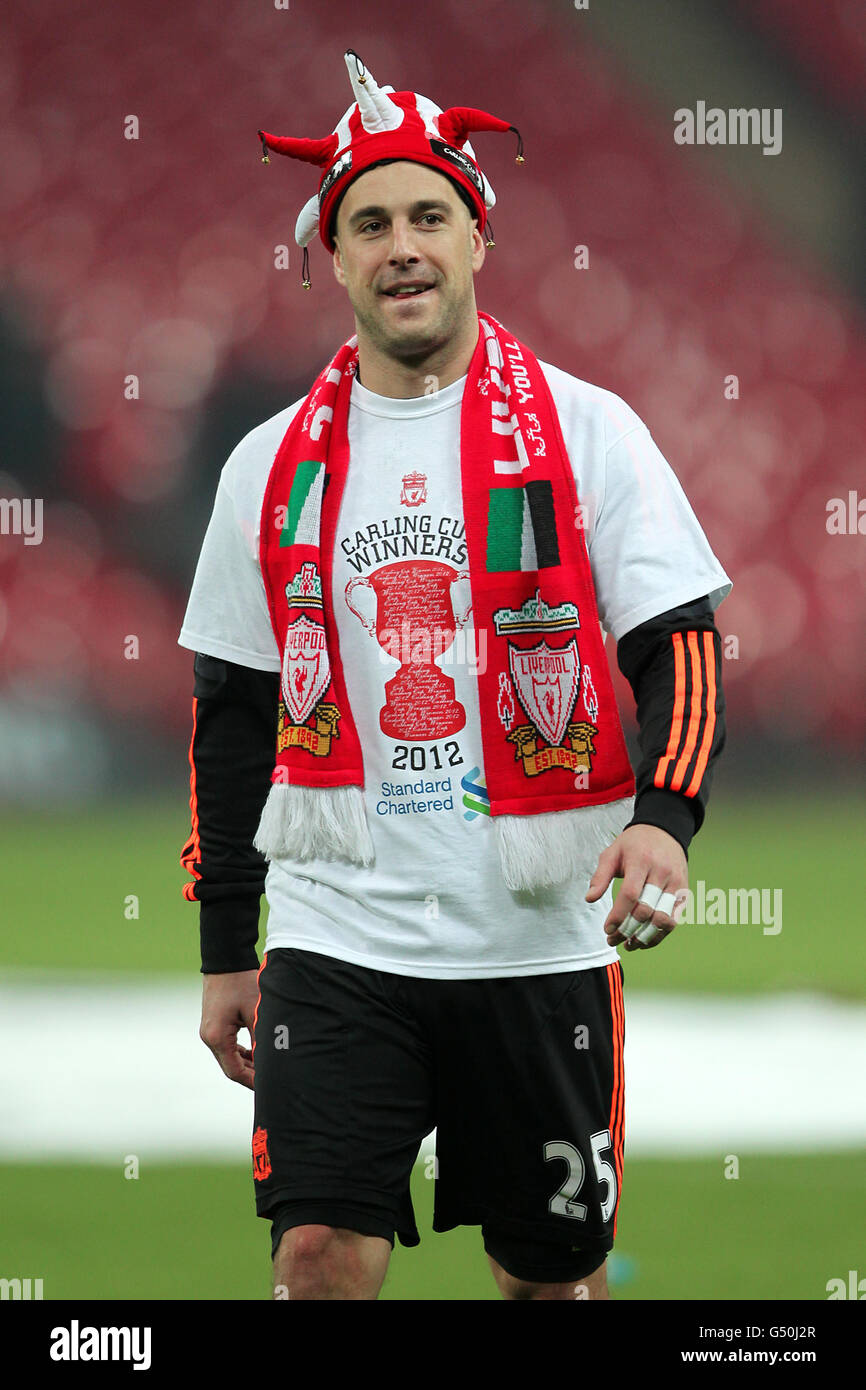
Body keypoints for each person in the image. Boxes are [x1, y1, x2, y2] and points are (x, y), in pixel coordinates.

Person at [178, 50, 731, 1301]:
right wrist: (227, 947)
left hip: (535, 944)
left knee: (548, 1281)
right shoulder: (265, 464)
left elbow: (677, 642)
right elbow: (231, 711)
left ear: (476, 238)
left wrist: (664, 821)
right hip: (338, 936)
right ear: (333, 256)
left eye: (429, 215)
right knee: (316, 1257)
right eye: (368, 223)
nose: (401, 245)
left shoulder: (590, 430)